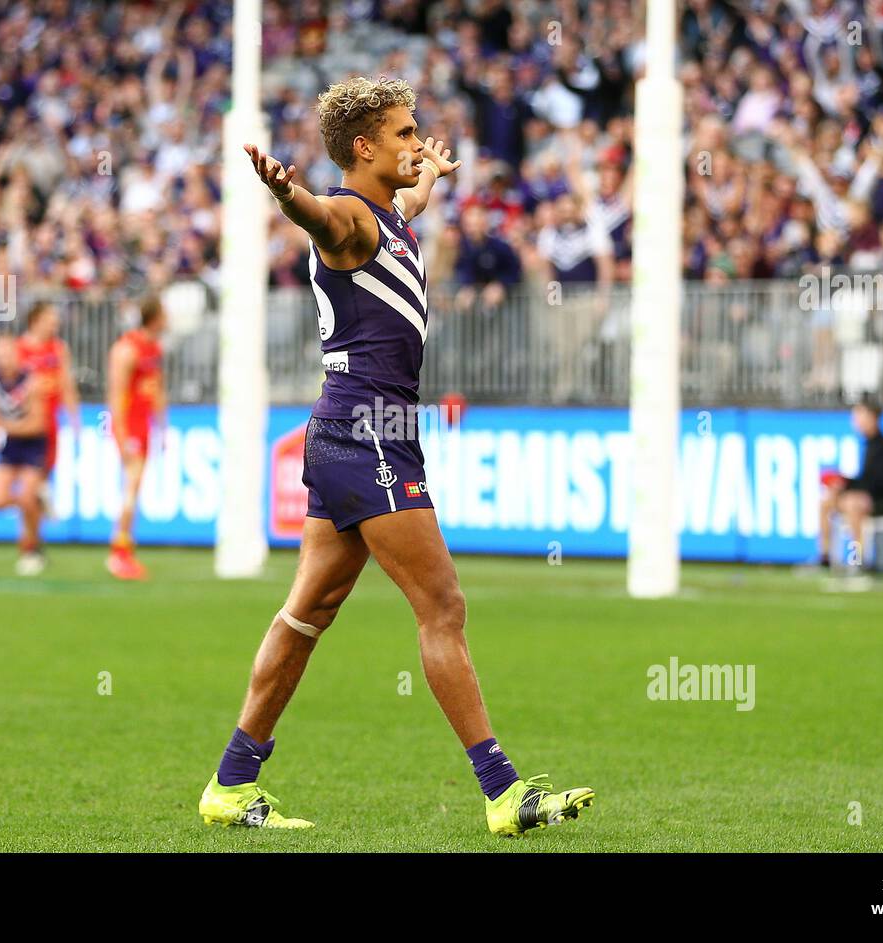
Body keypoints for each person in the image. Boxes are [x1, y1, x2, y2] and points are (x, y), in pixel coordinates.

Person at [199, 76, 593, 836]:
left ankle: (230, 781)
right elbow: (323, 219)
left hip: (351, 428)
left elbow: (397, 212)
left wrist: (430, 182)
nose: (418, 143)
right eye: (406, 134)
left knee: (306, 611)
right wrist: (288, 198)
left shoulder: (389, 214)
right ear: (364, 147)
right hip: (368, 432)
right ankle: (504, 792)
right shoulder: (346, 214)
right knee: (442, 605)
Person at [105, 296, 166, 580]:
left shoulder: (153, 348)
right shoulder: (127, 349)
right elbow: (116, 396)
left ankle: (123, 548)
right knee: (131, 487)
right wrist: (121, 434)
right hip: (129, 426)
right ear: (155, 316)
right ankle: (119, 552)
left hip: (144, 426)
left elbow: (156, 390)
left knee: (134, 487)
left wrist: (162, 427)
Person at [0, 335, 49, 576]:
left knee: (25, 498)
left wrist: (4, 427)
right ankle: (38, 505)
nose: (3, 360)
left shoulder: (32, 382)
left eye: (7, 355)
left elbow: (38, 424)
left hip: (32, 445)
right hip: (10, 446)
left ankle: (30, 549)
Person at [818, 397, 883, 569]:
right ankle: (825, 556)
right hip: (865, 497)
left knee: (852, 504)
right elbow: (866, 480)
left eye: (860, 416)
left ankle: (856, 559)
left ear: (873, 417)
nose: (856, 421)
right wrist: (843, 483)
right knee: (826, 501)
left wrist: (848, 485)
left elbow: (880, 484)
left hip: (882, 502)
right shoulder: (869, 445)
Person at [16, 300, 81, 513]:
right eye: (50, 322)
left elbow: (67, 385)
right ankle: (35, 506)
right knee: (27, 475)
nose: (54, 326)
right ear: (35, 321)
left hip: (49, 420)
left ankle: (34, 529)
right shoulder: (19, 349)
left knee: (44, 468)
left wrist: (74, 419)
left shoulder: (59, 348)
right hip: (25, 421)